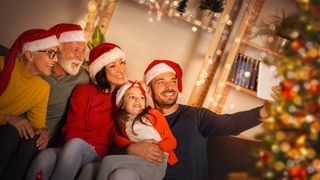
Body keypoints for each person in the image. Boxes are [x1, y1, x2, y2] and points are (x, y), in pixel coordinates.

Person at [111, 59, 269, 180]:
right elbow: (110, 149)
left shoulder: (196, 116)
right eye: (161, 82)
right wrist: (131, 149)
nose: (170, 87)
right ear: (149, 91)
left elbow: (228, 124)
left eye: (173, 81)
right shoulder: (136, 120)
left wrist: (263, 112)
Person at [30, 42, 127, 180]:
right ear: (100, 71)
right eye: (112, 66)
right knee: (45, 157)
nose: (121, 69)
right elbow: (74, 128)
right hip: (71, 149)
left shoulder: (124, 98)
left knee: (76, 145)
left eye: (122, 62)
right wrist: (71, 155)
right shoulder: (83, 91)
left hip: (96, 156)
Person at [25, 23, 90, 180]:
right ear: (57, 49)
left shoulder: (84, 79)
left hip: (48, 139)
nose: (81, 57)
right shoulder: (37, 67)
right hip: (22, 126)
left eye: (83, 51)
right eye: (75, 50)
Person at [0, 29, 59, 180]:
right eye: (51, 53)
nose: (55, 60)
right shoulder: (1, 65)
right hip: (5, 128)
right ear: (29, 54)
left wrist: (44, 133)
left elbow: (37, 124)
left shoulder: (42, 88)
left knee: (33, 140)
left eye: (56, 54)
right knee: (11, 133)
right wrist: (7, 118)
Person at [96, 80, 178, 180]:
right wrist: (135, 147)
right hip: (135, 160)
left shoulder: (153, 115)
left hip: (156, 162)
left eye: (142, 97)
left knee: (107, 162)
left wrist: (155, 147)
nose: (138, 100)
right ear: (122, 103)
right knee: (102, 167)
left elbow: (172, 142)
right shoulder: (122, 123)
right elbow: (121, 143)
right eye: (132, 97)